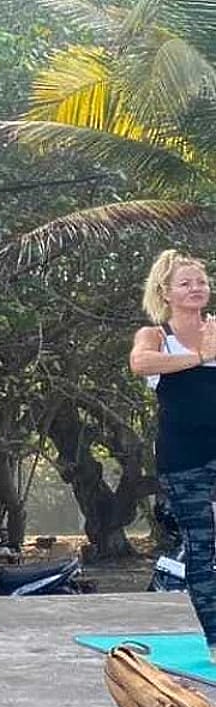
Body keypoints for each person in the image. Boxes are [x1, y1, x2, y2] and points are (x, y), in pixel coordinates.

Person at [130, 249, 216, 662]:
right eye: (186, 283)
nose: (196, 289)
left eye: (201, 281)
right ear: (166, 292)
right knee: (201, 547)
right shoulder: (156, 336)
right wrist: (199, 357)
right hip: (185, 459)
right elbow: (139, 363)